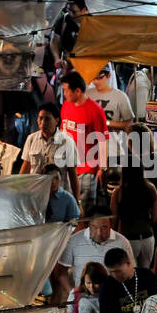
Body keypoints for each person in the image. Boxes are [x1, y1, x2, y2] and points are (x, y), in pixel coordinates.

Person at [61, 71, 109, 209]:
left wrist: (102, 168)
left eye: (66, 90)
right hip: (67, 169)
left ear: (77, 91)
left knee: (84, 213)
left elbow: (102, 140)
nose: (64, 94)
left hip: (87, 171)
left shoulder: (95, 110)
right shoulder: (66, 105)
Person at [58, 209, 133, 291]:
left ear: (111, 224)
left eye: (104, 227)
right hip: (83, 298)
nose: (99, 233)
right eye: (94, 227)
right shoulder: (73, 241)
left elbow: (131, 272)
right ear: (88, 225)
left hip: (113, 296)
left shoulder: (122, 242)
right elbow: (62, 273)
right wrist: (73, 294)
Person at [20, 102, 80, 200]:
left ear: (56, 120)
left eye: (47, 119)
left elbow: (73, 174)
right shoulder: (31, 139)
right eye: (40, 118)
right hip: (36, 195)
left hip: (59, 197)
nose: (42, 122)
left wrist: (77, 201)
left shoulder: (67, 142)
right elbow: (26, 167)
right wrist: (19, 191)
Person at [110, 159, 157, 268]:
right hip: (147, 237)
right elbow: (156, 217)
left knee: (131, 275)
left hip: (127, 238)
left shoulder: (118, 192)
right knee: (145, 273)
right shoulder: (151, 189)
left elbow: (113, 221)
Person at [86, 66, 135, 166]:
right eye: (94, 78)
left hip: (113, 149)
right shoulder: (87, 94)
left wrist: (106, 122)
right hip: (90, 148)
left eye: (100, 78)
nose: (96, 82)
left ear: (109, 76)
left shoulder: (120, 96)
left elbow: (129, 124)